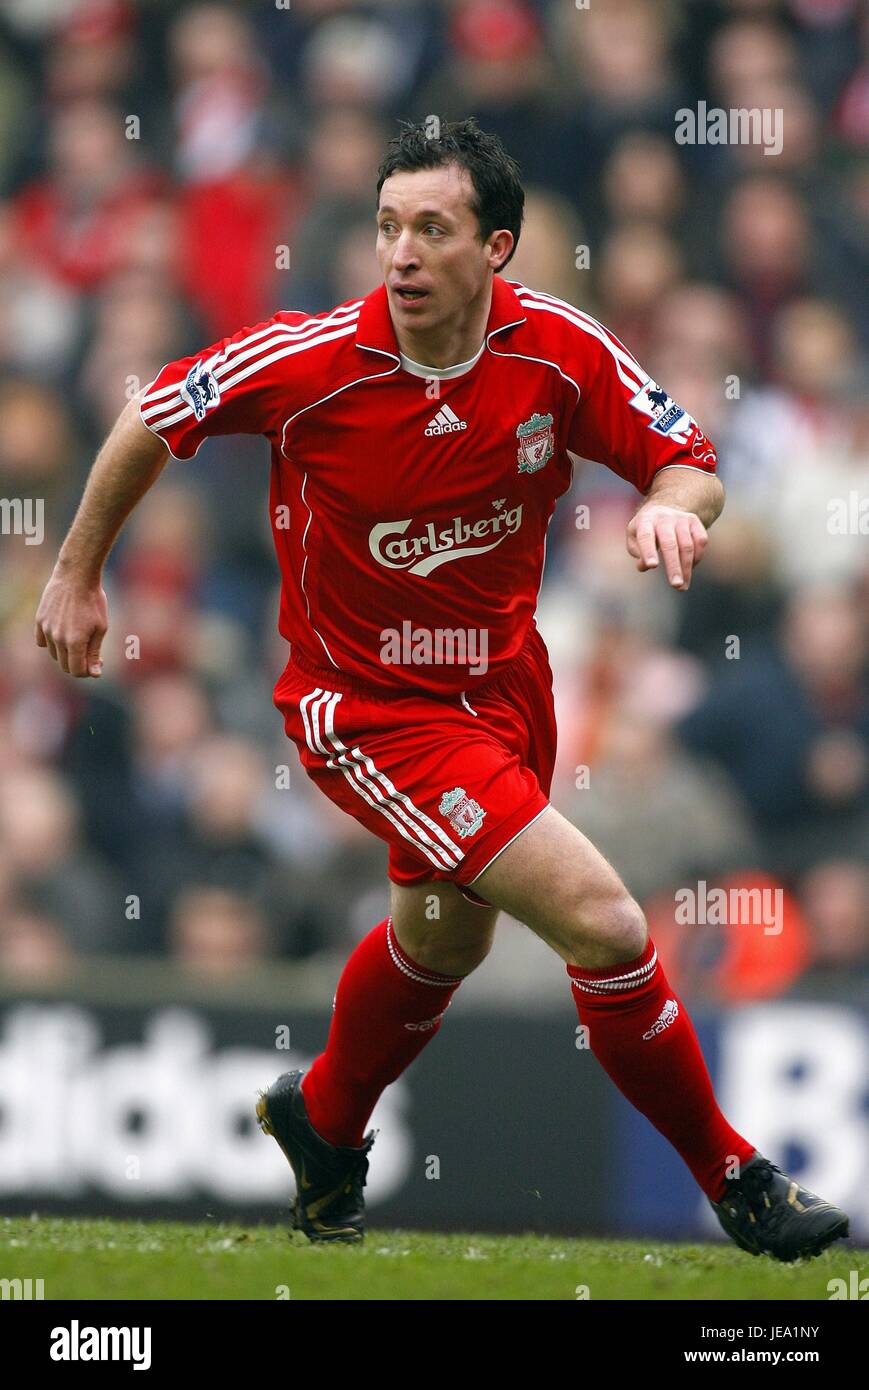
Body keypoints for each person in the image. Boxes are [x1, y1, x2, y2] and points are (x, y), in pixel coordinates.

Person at [34, 117, 848, 1260]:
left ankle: (322, 1122)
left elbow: (686, 457)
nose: (401, 253)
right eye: (385, 227)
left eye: (431, 228)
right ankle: (737, 1179)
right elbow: (151, 414)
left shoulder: (556, 350)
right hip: (362, 708)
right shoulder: (310, 361)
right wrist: (76, 573)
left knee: (440, 941)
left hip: (504, 693)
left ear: (496, 248)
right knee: (606, 924)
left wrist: (670, 504)